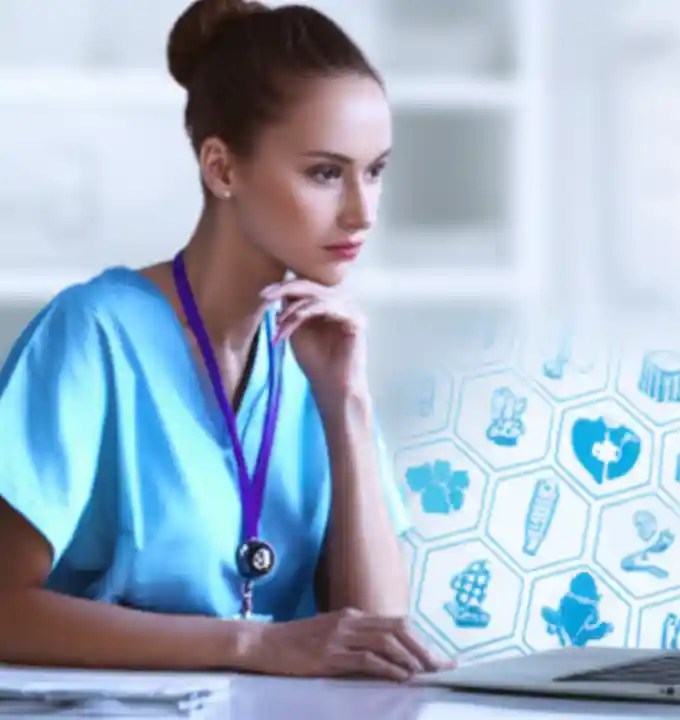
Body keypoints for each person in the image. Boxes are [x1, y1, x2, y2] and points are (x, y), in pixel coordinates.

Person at [0, 0, 454, 682]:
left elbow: (377, 643)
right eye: (326, 173)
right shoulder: (94, 334)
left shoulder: (314, 349)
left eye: (376, 171)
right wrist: (251, 643)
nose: (363, 211)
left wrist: (347, 406)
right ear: (222, 169)